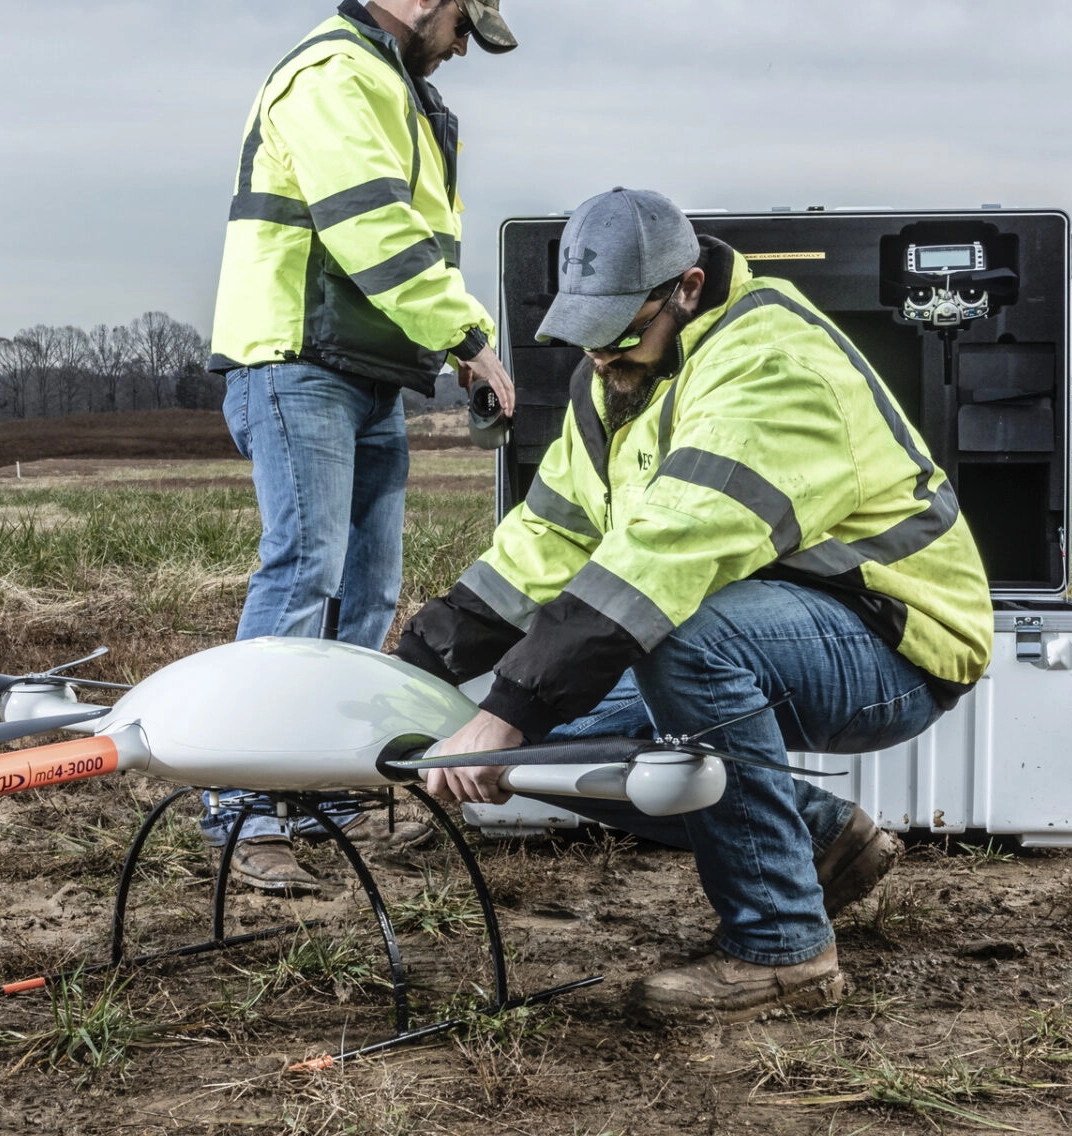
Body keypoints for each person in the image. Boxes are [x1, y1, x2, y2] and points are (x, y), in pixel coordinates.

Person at [397, 188, 995, 1024]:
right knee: (550, 733)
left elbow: (661, 563)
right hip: (763, 622)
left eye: (621, 335)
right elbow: (552, 535)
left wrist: (506, 712)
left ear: (685, 288)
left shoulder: (769, 365)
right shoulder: (614, 377)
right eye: (587, 336)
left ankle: (785, 948)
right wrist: (415, 669)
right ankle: (816, 839)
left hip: (892, 640)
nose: (603, 360)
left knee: (660, 645)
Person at [204, 0, 520, 890]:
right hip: (299, 358)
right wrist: (467, 337)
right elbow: (371, 224)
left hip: (364, 364)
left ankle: (322, 789)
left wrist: (440, 341)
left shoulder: (391, 83)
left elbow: (412, 241)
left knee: (369, 587)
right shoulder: (335, 73)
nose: (461, 49)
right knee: (306, 568)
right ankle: (245, 807)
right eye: (463, 28)